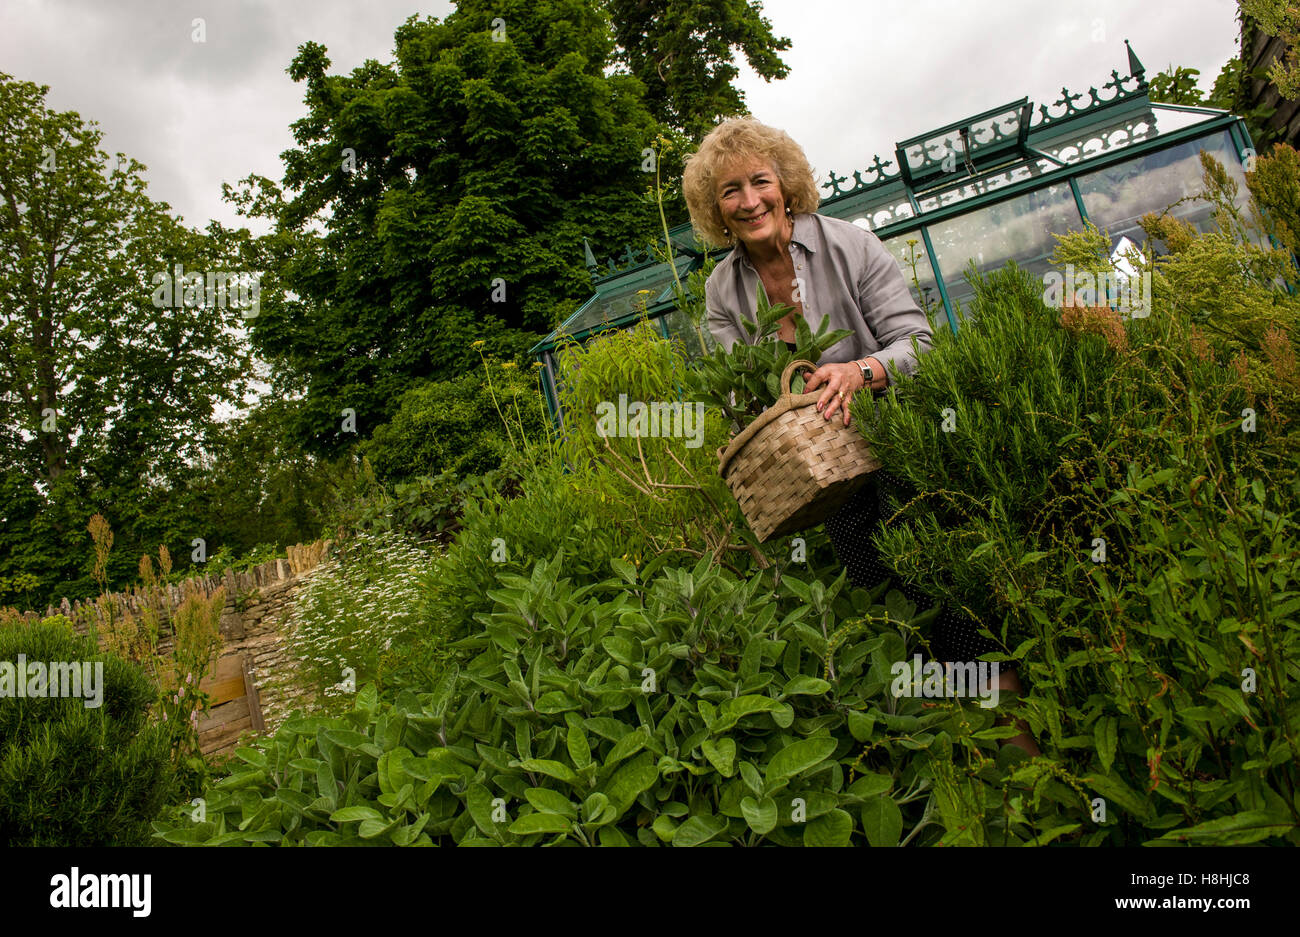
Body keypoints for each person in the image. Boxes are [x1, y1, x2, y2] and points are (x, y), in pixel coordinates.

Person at [683, 117, 1038, 755]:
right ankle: (957, 758)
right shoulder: (721, 290)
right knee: (888, 605)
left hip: (902, 443)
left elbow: (920, 344)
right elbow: (738, 390)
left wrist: (860, 369)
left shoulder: (851, 245)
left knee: (944, 585)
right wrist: (752, 418)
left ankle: (1023, 756)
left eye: (760, 181)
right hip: (826, 471)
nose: (749, 200)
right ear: (717, 209)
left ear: (786, 186)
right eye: (730, 191)